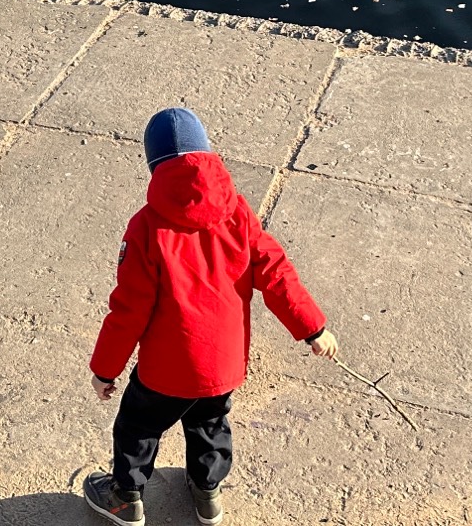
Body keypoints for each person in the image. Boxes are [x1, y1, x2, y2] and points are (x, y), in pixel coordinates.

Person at [84, 108, 337, 525]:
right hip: (222, 363)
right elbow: (276, 274)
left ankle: (125, 497)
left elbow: (128, 310)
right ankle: (207, 493)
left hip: (165, 370)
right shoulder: (238, 213)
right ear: (208, 155)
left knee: (139, 427)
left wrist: (104, 369)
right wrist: (313, 327)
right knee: (210, 423)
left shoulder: (146, 228)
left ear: (153, 165)